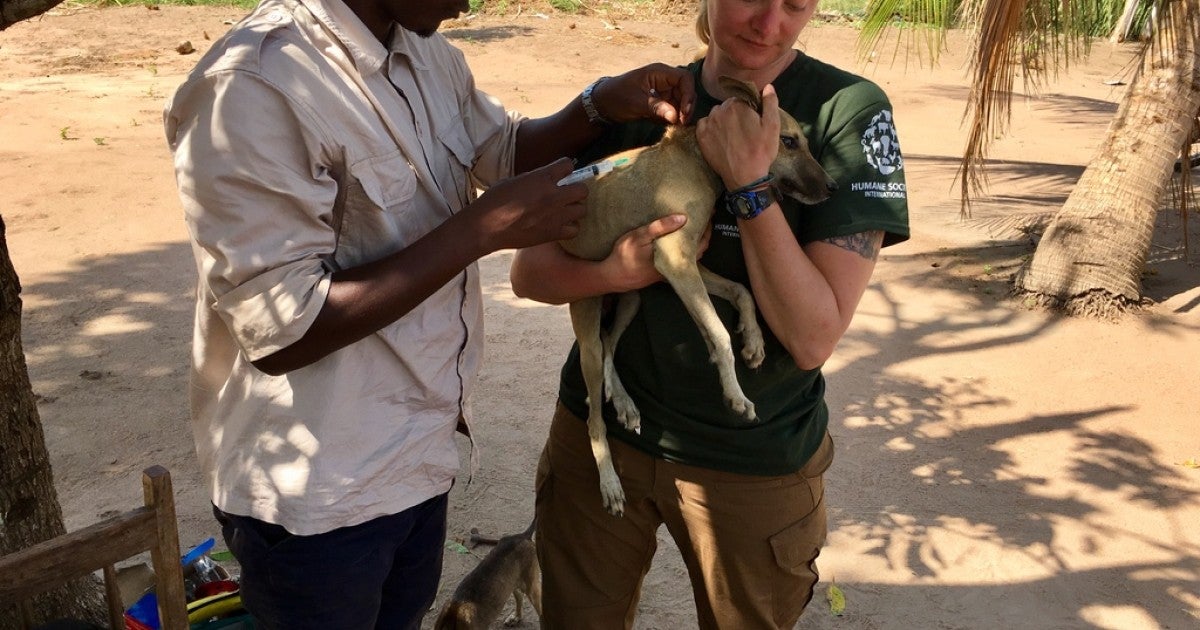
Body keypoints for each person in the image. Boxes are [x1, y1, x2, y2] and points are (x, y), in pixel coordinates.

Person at [162, 0, 697, 626]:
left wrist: (599, 104)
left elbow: (503, 147)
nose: (471, 3)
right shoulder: (253, 88)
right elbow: (284, 330)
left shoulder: (422, 51)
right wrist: (484, 229)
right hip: (319, 495)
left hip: (413, 458)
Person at [509, 0, 911, 627]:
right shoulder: (646, 100)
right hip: (602, 442)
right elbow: (529, 273)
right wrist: (614, 273)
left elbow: (812, 337)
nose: (768, 21)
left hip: (751, 462)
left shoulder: (849, 111)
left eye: (796, 4)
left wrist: (749, 183)